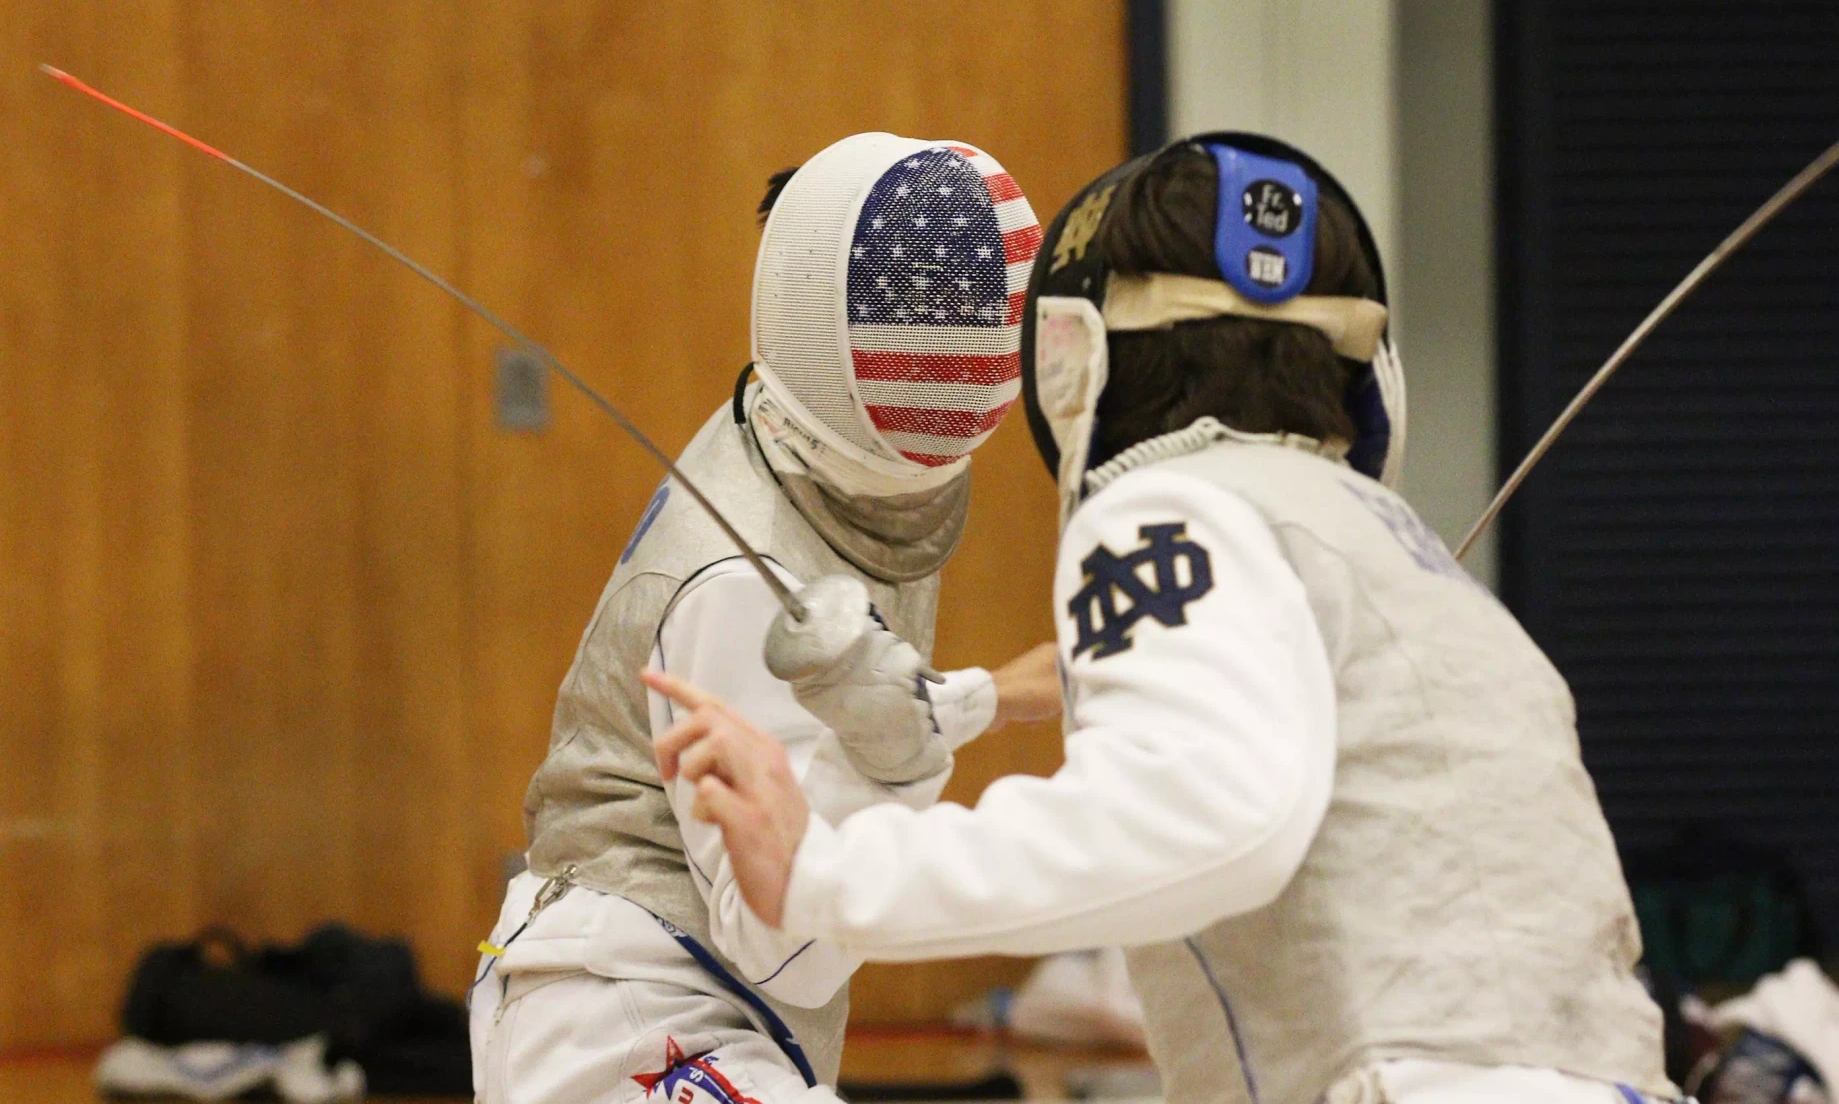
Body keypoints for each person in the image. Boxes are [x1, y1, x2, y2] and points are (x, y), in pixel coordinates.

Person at [652, 133, 1681, 1104]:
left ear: (1073, 354)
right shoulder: (1403, 558)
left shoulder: (1169, 507)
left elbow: (1210, 811)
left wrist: (827, 874)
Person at [469, 133, 1059, 1104]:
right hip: (624, 1009)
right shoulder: (738, 578)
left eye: (960, 309)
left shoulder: (810, 449)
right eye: (915, 309)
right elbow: (788, 939)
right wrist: (912, 748)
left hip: (693, 998)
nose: (950, 335)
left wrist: (975, 699)